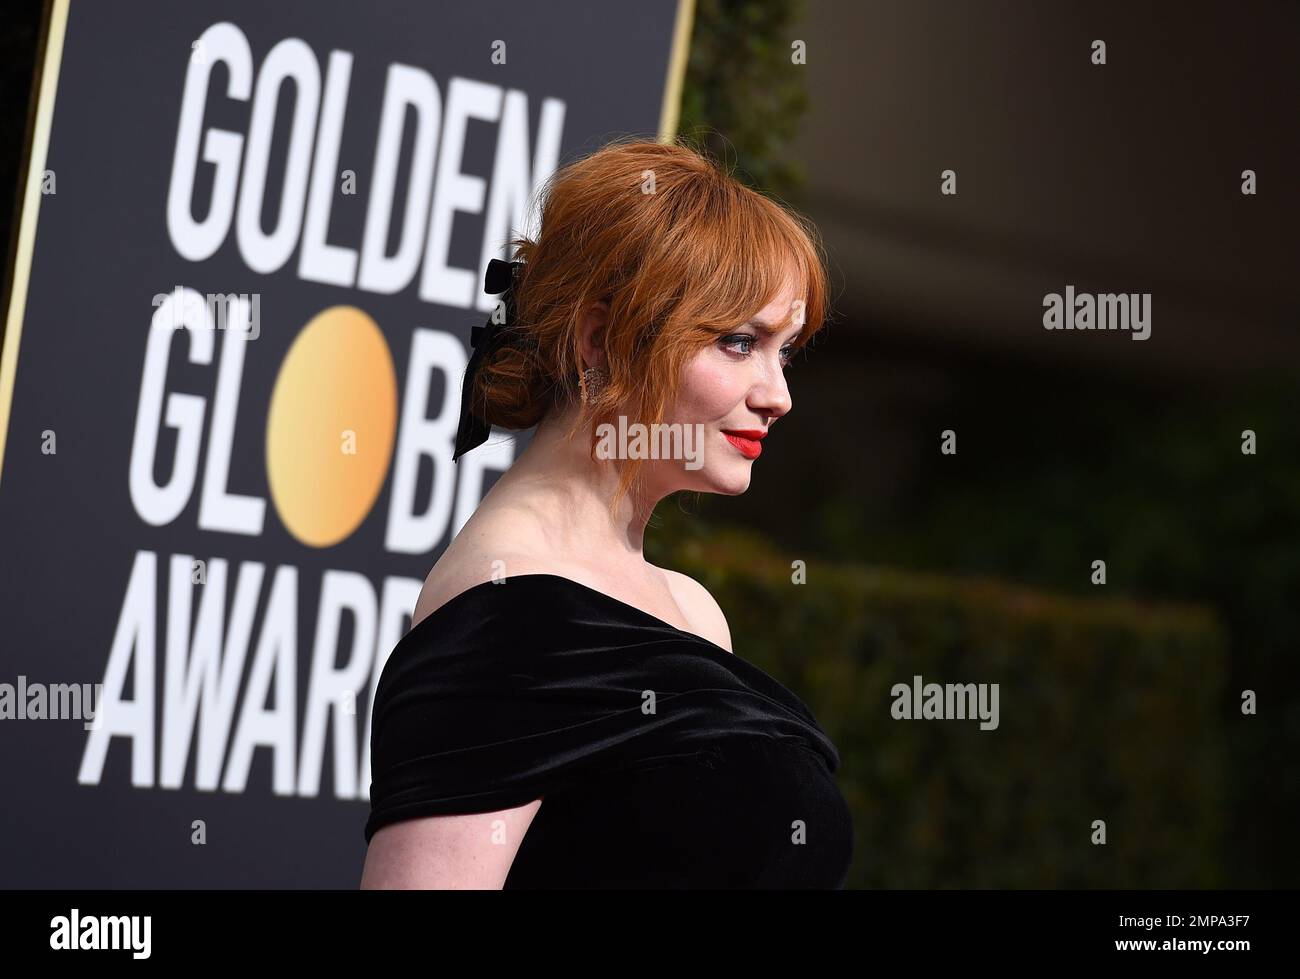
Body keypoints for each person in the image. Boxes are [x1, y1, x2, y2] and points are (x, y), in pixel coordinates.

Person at [360, 136, 852, 888]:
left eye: (784, 351)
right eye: (738, 342)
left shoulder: (691, 609)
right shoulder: (505, 613)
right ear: (600, 341)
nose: (777, 394)